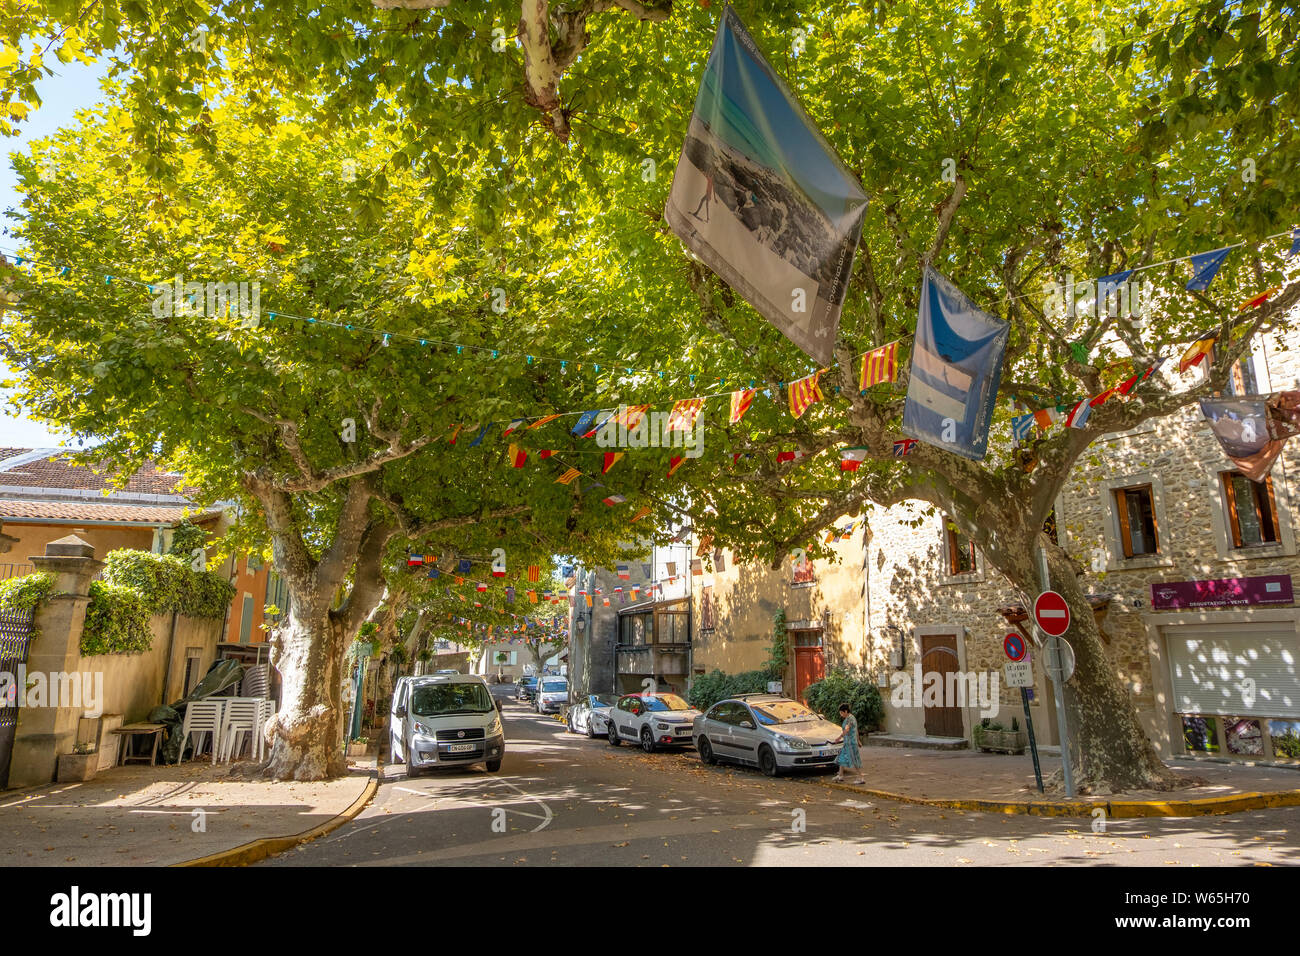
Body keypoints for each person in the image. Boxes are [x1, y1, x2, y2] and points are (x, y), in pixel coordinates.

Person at [833, 703, 865, 784]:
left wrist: (839, 738)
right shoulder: (851, 718)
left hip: (850, 743)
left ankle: (861, 777)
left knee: (854, 759)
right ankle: (840, 775)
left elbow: (847, 730)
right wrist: (858, 740)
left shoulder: (849, 719)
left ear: (846, 711)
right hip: (848, 742)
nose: (841, 715)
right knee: (841, 757)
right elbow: (856, 730)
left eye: (841, 713)